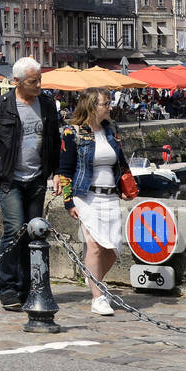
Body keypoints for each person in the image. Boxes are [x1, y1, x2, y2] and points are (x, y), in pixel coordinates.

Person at [0, 57, 60, 312]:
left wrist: (56, 172)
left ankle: (29, 286)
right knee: (14, 230)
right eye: (33, 82)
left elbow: (54, 141)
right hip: (8, 178)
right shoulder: (0, 108)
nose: (39, 86)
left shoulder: (47, 105)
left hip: (37, 178)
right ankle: (9, 287)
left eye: (40, 80)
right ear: (17, 82)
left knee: (33, 233)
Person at [57, 87, 129, 316]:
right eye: (105, 104)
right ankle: (97, 297)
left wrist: (127, 185)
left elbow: (121, 162)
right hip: (86, 196)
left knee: (113, 248)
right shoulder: (73, 132)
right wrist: (69, 201)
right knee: (95, 245)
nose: (110, 107)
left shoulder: (111, 130)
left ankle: (95, 281)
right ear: (91, 106)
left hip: (110, 196)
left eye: (109, 103)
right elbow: (65, 169)